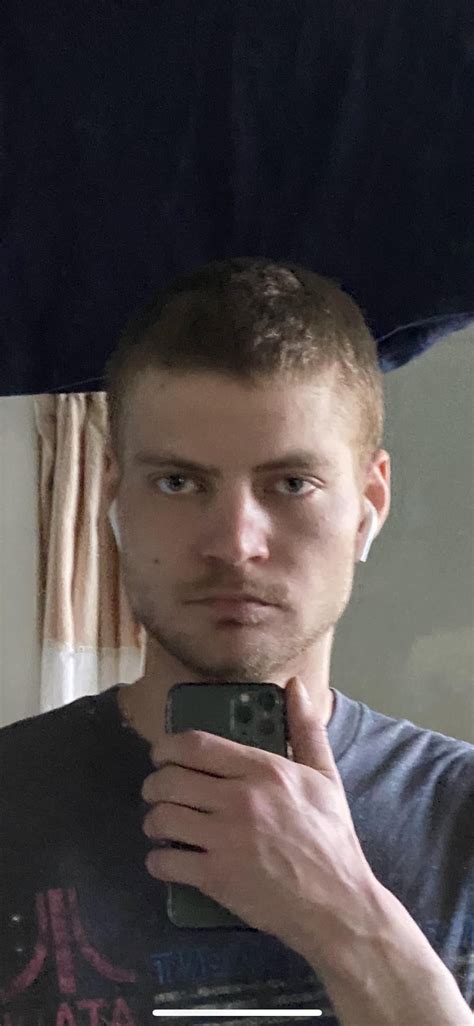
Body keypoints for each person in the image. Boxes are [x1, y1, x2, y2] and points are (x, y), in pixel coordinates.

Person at [0, 259, 472, 1026]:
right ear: (114, 493)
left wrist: (352, 922)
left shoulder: (462, 817)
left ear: (369, 504)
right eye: (179, 483)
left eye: (291, 484)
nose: (233, 543)